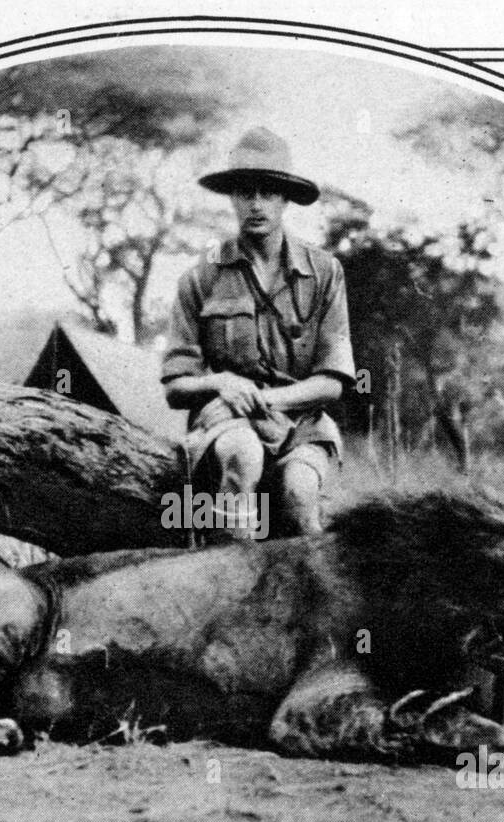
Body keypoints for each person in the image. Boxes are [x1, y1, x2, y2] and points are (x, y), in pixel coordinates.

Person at [162, 126, 356, 539]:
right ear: (231, 198)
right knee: (242, 457)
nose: (256, 204)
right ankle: (233, 589)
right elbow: (176, 387)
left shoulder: (324, 271)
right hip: (226, 424)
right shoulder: (200, 277)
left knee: (300, 492)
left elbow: (333, 383)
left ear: (286, 199)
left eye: (268, 193)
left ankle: (313, 600)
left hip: (302, 423)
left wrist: (260, 399)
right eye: (245, 193)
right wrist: (221, 383)